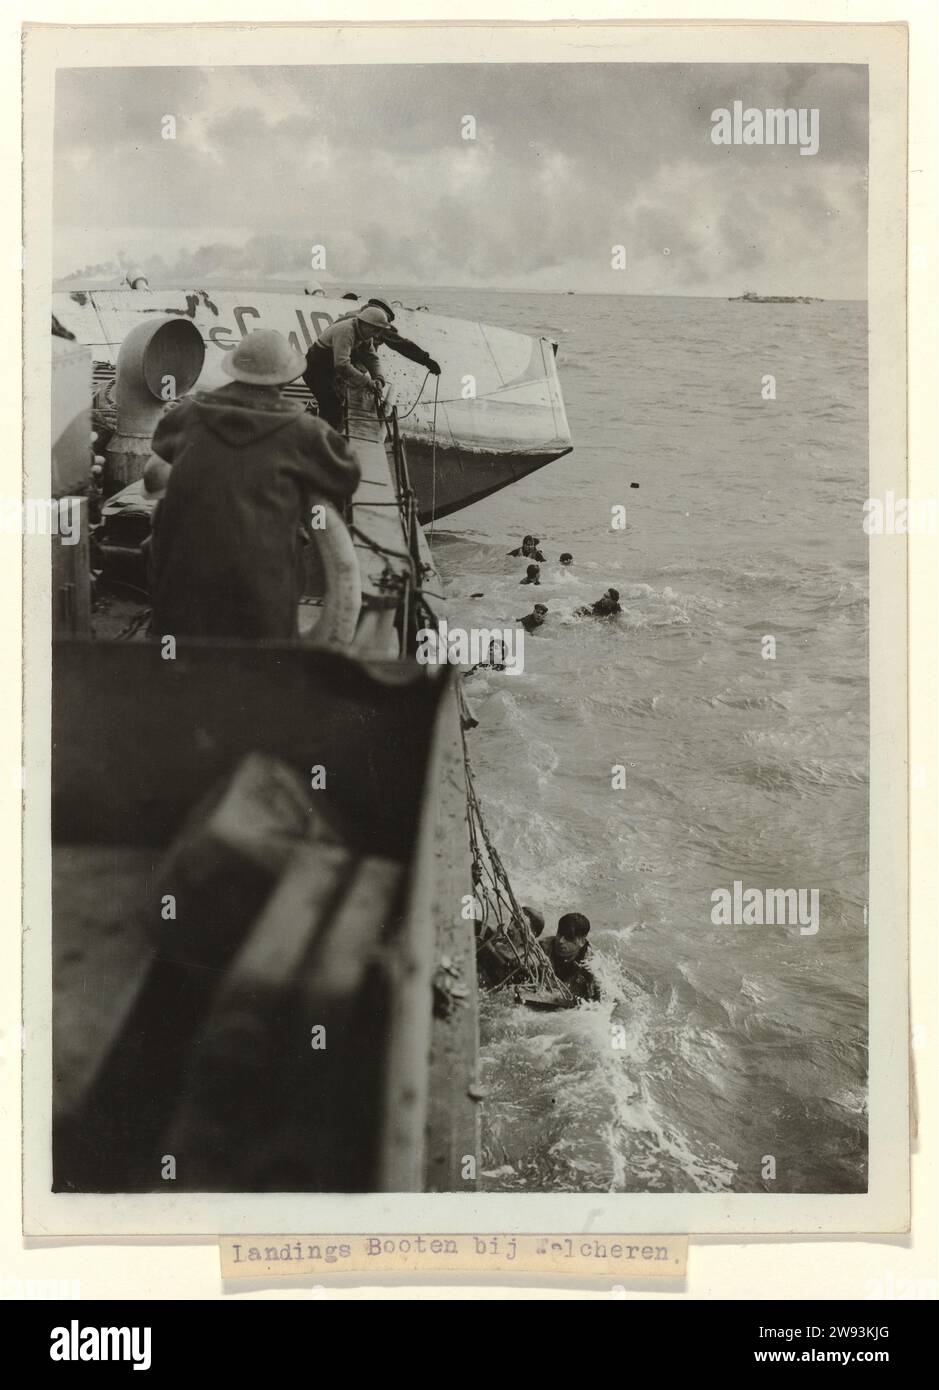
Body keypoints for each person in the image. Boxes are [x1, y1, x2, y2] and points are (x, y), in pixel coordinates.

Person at [148, 329, 360, 641]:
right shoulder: (304, 431)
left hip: (182, 595)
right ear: (286, 380)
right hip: (262, 600)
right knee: (259, 674)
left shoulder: (187, 415)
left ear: (234, 372)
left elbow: (162, 444)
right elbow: (347, 476)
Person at [302, 305, 389, 430]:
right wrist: (367, 382)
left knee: (336, 402)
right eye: (375, 330)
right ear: (365, 324)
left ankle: (324, 432)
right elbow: (342, 364)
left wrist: (379, 378)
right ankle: (323, 439)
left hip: (328, 369)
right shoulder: (346, 331)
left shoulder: (365, 335)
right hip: (315, 369)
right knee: (332, 406)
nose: (377, 335)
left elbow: (372, 358)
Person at [337, 296, 442, 376]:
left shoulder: (351, 314)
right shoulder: (375, 321)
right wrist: (426, 360)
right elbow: (401, 344)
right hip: (349, 367)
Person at [540, 913, 600, 1003]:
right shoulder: (542, 948)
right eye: (559, 934)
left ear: (581, 942)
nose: (561, 941)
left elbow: (600, 1001)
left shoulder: (590, 960)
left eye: (568, 938)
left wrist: (592, 976)